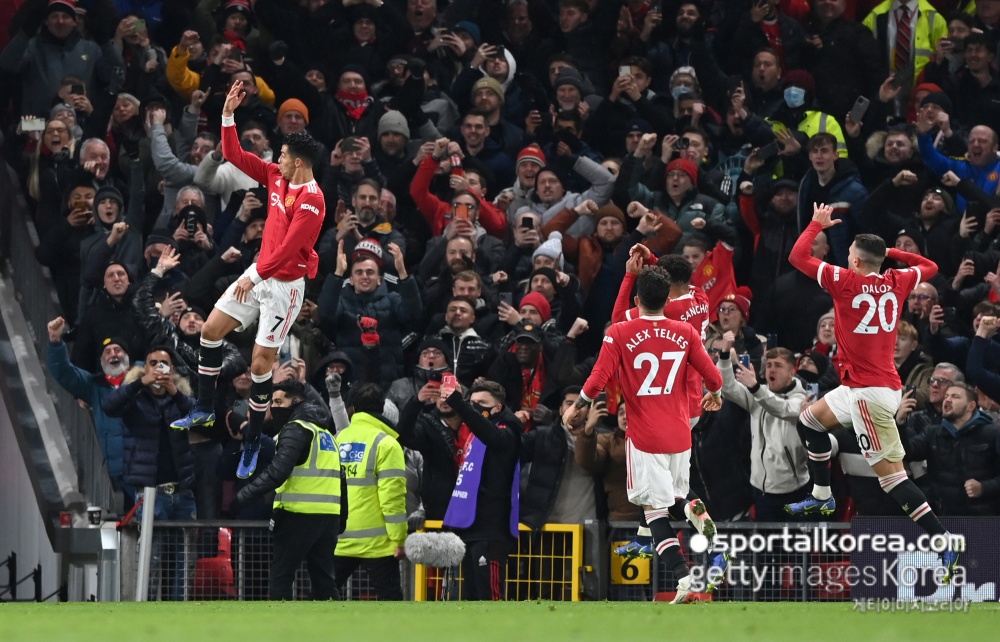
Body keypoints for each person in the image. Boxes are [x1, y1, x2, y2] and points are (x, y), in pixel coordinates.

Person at [786, 202, 962, 582]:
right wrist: (891, 255)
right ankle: (821, 495)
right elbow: (930, 268)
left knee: (892, 479)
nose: (846, 259)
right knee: (810, 421)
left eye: (849, 255)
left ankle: (944, 542)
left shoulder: (844, 281)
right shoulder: (897, 281)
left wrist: (816, 225)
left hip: (870, 394)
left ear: (854, 261)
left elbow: (798, 255)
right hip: (860, 387)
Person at [171, 80, 326, 480]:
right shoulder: (277, 175)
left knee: (260, 366)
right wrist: (227, 114)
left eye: (285, 154)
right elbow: (236, 155)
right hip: (258, 273)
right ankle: (204, 409)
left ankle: (255, 437)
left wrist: (253, 275)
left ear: (300, 161)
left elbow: (291, 251)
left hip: (284, 286)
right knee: (209, 331)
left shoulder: (313, 200)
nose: (278, 158)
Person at [563, 265, 723, 604]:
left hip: (644, 435)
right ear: (667, 299)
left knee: (655, 510)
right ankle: (717, 546)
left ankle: (682, 579)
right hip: (680, 432)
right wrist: (716, 395)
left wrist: (576, 406)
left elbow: (597, 378)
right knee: (681, 497)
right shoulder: (686, 332)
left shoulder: (619, 332)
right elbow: (713, 376)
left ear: (637, 300)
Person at [230, 380, 344, 601]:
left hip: (298, 515)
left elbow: (278, 471)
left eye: (279, 401)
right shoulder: (326, 435)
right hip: (328, 518)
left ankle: (278, 629)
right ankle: (334, 629)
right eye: (272, 402)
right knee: (324, 581)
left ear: (297, 401)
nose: (274, 407)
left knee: (281, 577)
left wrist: (242, 498)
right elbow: (341, 479)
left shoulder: (295, 428)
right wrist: (342, 516)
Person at [439, 378, 522, 601]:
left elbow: (491, 434)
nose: (475, 407)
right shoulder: (474, 437)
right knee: (470, 597)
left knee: (490, 597)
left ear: (498, 408)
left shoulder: (507, 432)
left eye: (481, 402)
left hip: (491, 530)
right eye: (472, 402)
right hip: (469, 527)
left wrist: (460, 403)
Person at [333, 383, 407, 600]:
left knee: (321, 598)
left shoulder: (337, 439)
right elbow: (392, 499)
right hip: (378, 544)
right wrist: (399, 540)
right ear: (382, 408)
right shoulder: (387, 444)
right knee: (390, 603)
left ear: (352, 408)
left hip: (338, 539)